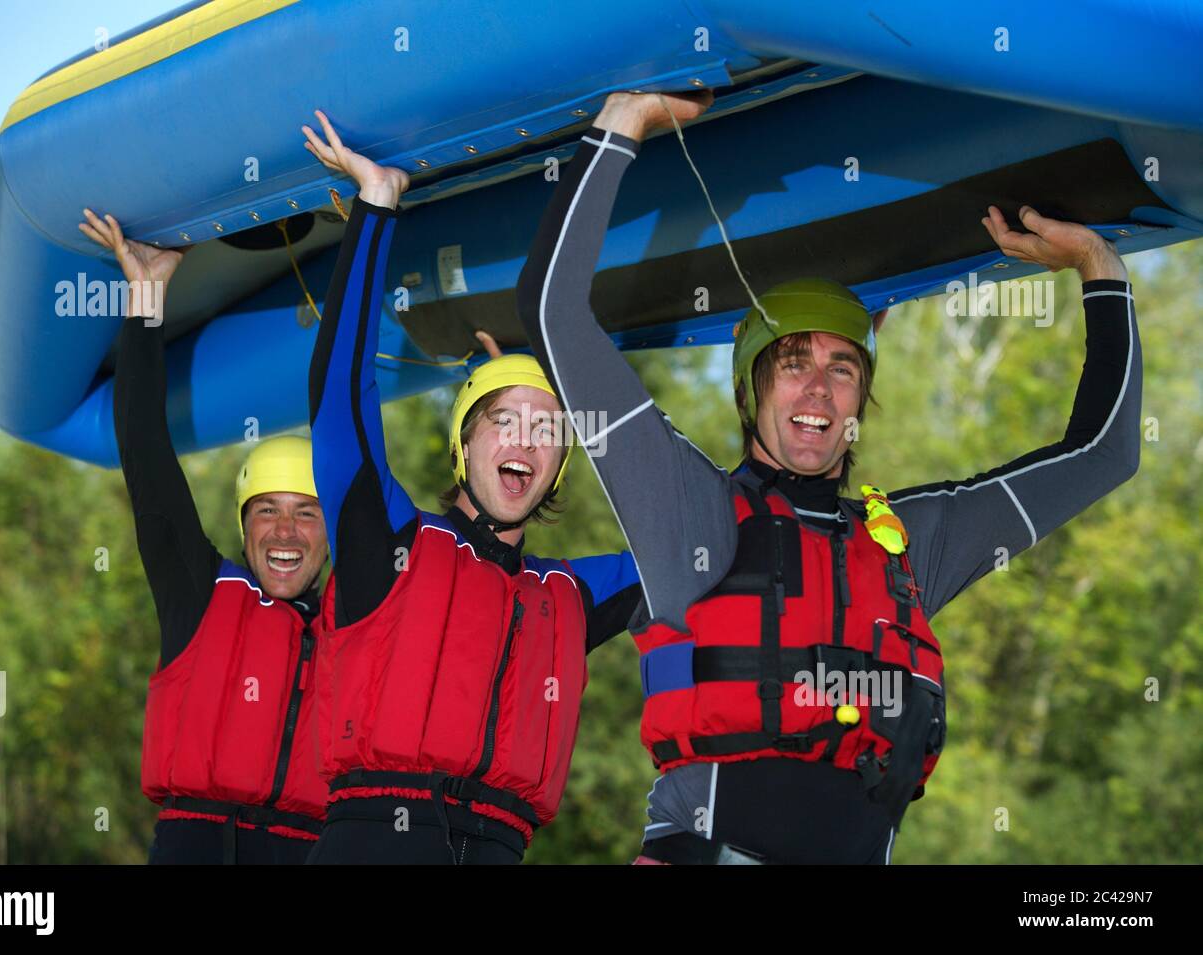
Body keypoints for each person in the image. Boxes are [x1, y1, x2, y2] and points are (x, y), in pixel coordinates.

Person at [515, 91, 1142, 864]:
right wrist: (623, 124)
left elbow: (1106, 453)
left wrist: (1097, 266)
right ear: (749, 392)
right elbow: (552, 313)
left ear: (862, 398)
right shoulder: (694, 514)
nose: (817, 390)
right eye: (792, 365)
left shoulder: (907, 547)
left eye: (842, 369)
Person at [299, 110, 641, 864]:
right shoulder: (388, 538)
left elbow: (693, 533)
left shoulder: (572, 595)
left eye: (547, 429)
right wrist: (377, 204)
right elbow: (336, 405)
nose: (526, 440)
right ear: (464, 443)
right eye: (504, 420)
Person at [80, 209, 333, 864]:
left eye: (306, 512)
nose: (285, 531)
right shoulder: (199, 590)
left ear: (330, 533)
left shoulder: (358, 619)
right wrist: (145, 298)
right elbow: (143, 447)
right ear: (243, 528)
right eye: (266, 511)